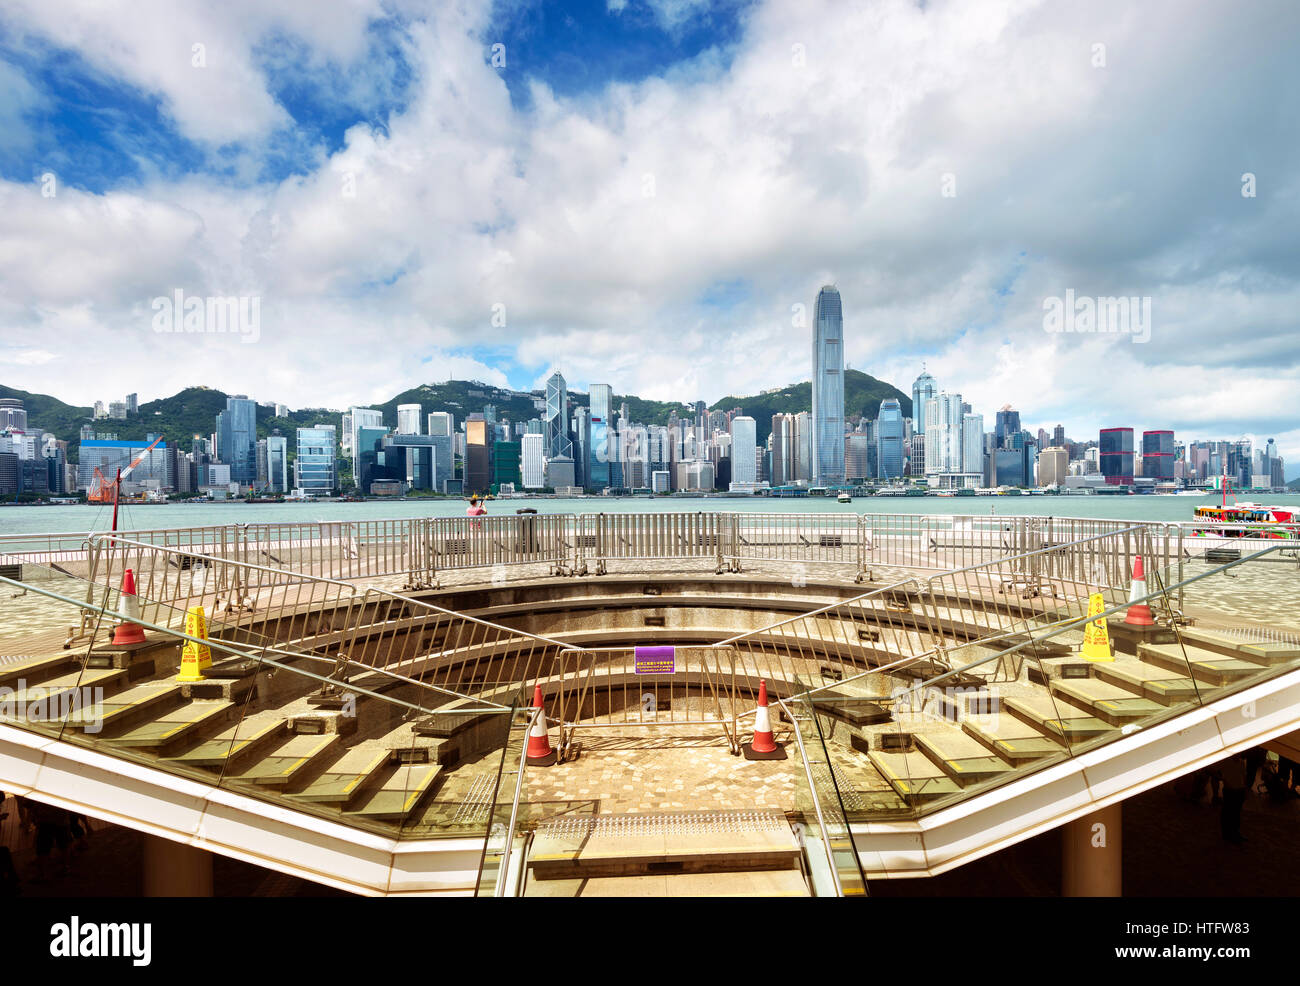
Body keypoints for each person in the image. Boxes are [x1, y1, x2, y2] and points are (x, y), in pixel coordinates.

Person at [1219, 752, 1248, 845]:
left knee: (1236, 813)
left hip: (1239, 790)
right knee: (1228, 812)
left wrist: (1244, 789)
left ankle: (1234, 832)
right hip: (1230, 791)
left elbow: (1243, 777)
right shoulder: (1226, 762)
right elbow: (1222, 775)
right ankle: (1228, 833)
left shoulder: (1241, 763)